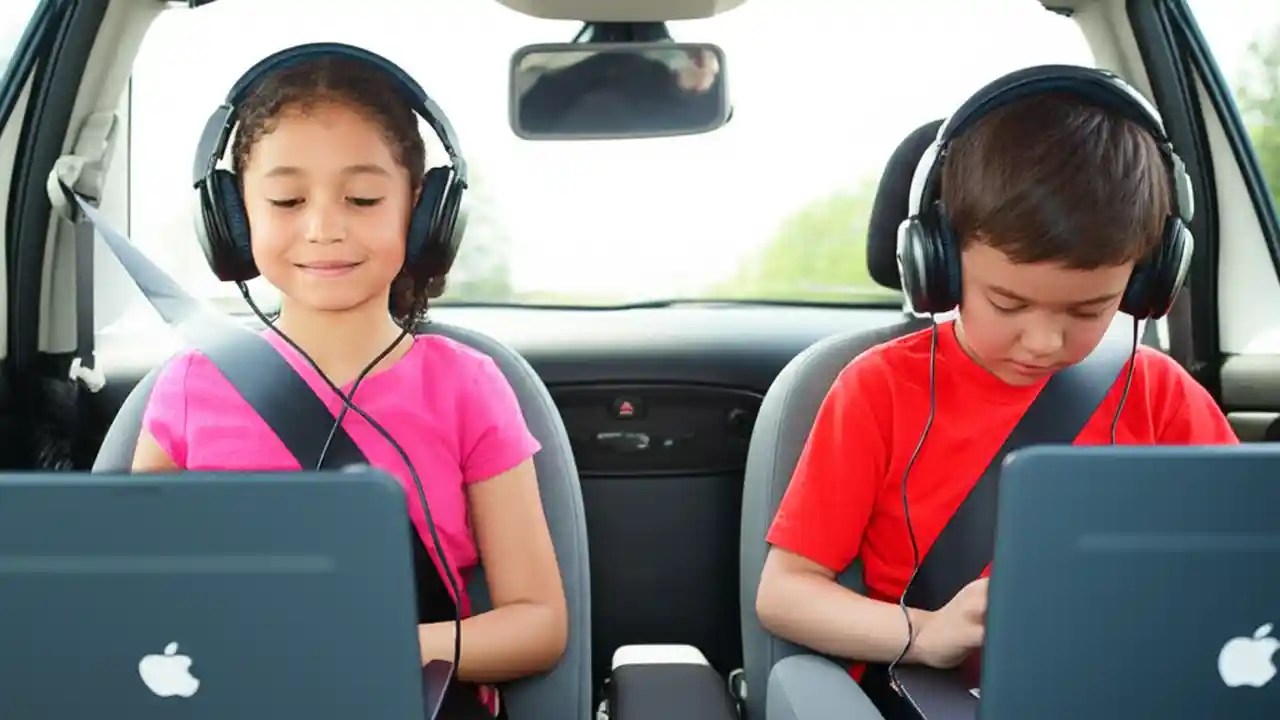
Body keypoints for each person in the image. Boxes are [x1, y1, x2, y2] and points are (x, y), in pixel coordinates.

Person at [755, 72, 1239, 695]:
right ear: (941, 265)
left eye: (1088, 311)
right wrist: (923, 634)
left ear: (1147, 284)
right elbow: (785, 593)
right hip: (942, 701)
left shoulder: (1157, 393)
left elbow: (1243, 556)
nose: (1042, 342)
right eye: (1008, 304)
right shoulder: (880, 391)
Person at [131, 51, 567, 718]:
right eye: (286, 199)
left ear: (423, 214)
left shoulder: (467, 387)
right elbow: (128, 595)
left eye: (363, 199)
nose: (324, 227)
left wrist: (386, 644)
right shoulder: (190, 388)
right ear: (234, 218)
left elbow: (537, 623)